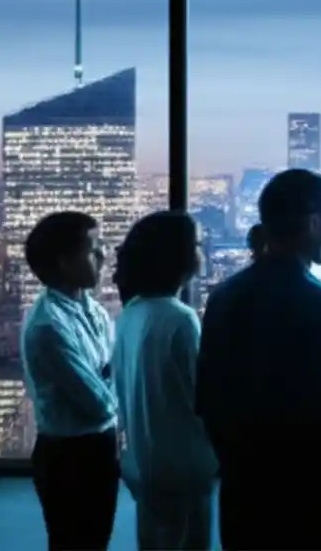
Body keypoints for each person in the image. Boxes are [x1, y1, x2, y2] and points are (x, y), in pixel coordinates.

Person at [196, 169, 321, 549]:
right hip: (314, 506)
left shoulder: (224, 297)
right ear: (313, 222)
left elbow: (209, 400)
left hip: (246, 500)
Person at [110, 211, 218, 550]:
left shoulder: (131, 314)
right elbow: (202, 396)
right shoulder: (179, 319)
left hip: (146, 465)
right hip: (184, 467)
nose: (204, 252)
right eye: (198, 245)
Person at [19, 211, 119, 551]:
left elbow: (107, 381)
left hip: (99, 447)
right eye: (93, 249)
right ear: (64, 262)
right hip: (70, 457)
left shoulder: (93, 310)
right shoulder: (49, 327)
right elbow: (98, 404)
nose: (104, 255)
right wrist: (118, 385)